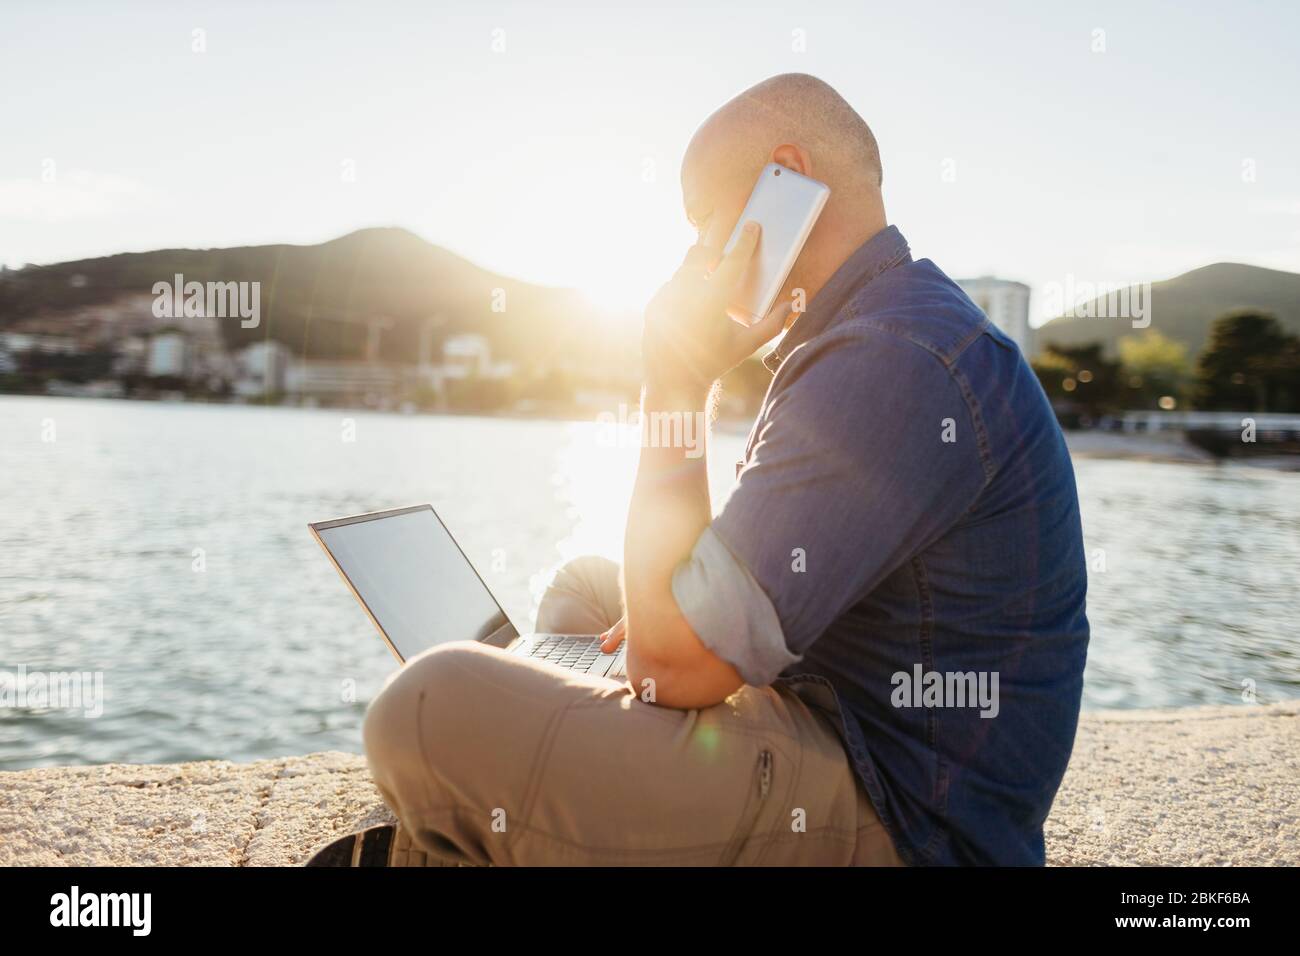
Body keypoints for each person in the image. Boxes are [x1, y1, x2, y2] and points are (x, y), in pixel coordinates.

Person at [340, 73, 1089, 867]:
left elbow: (673, 666)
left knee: (427, 706)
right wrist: (679, 635)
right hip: (843, 717)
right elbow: (729, 597)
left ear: (787, 179)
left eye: (704, 223)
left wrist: (675, 379)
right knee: (585, 589)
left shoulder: (893, 357)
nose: (698, 255)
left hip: (910, 822)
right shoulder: (882, 325)